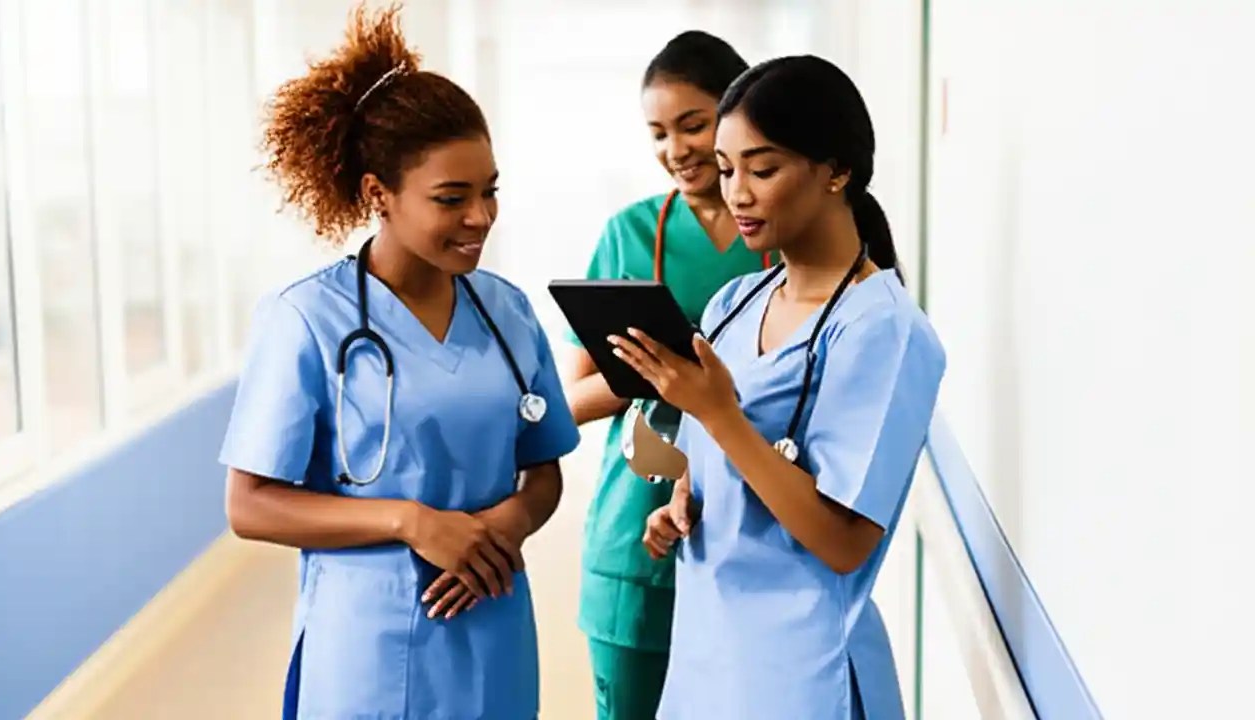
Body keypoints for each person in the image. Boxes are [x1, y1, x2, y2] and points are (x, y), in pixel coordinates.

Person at [217, 5, 580, 719]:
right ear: (377, 195)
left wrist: (504, 526)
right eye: (452, 198)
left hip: (494, 618)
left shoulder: (506, 311)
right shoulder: (306, 320)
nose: (479, 217)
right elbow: (249, 505)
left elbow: (544, 472)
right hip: (370, 637)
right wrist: (413, 522)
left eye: (489, 191)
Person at [609, 55, 947, 720]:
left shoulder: (884, 330)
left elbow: (844, 542)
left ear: (837, 171)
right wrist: (688, 501)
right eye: (727, 169)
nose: (737, 192)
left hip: (800, 677)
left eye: (762, 169)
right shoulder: (736, 303)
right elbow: (736, 469)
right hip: (708, 663)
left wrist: (714, 410)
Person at [562, 30, 767, 720]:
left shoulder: (780, 234)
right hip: (634, 530)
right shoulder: (629, 233)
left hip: (753, 523)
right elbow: (572, 399)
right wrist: (659, 376)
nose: (675, 149)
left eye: (693, 124)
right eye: (658, 132)